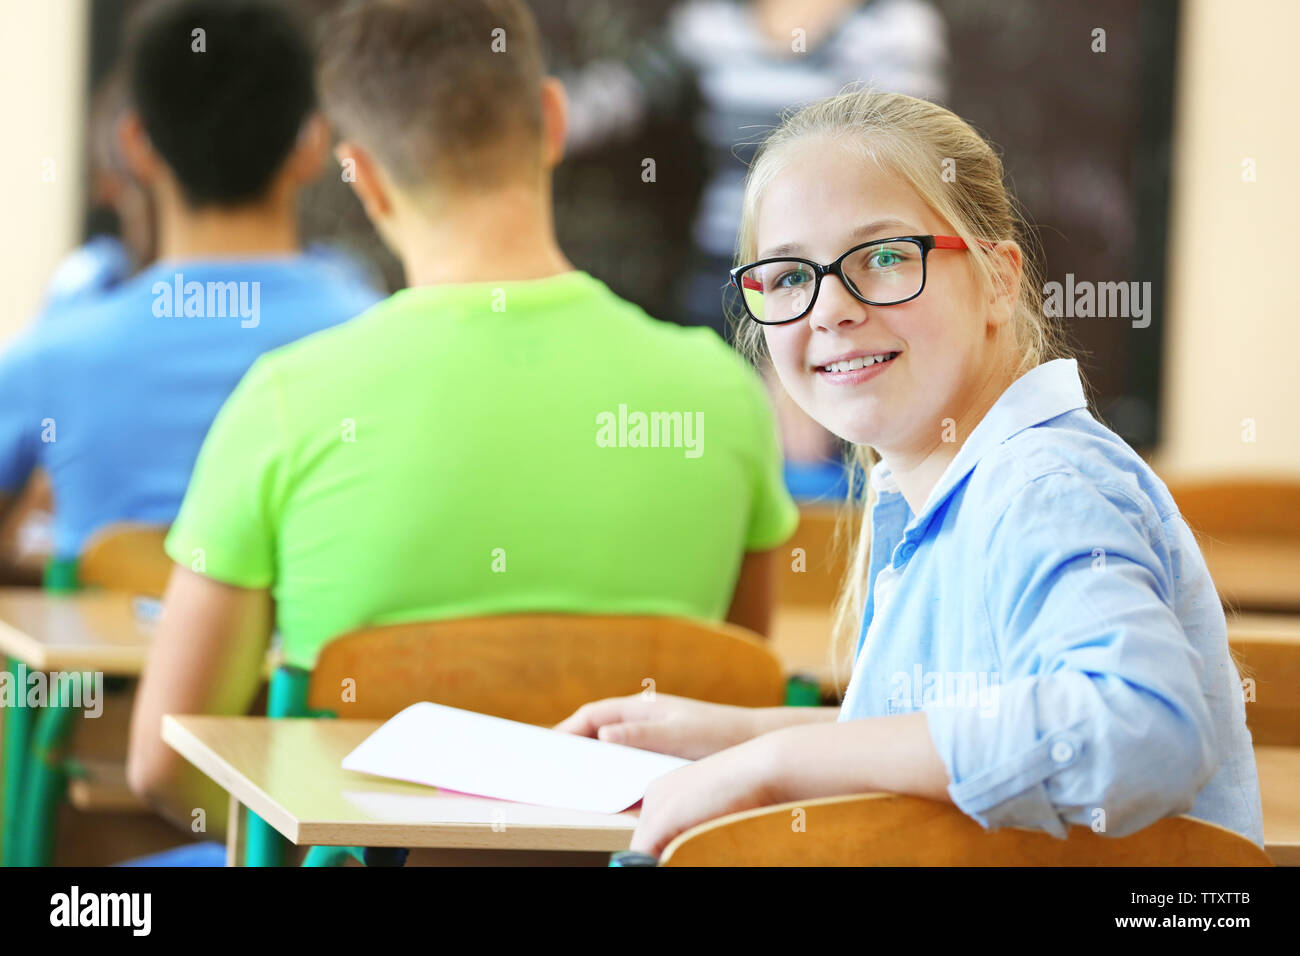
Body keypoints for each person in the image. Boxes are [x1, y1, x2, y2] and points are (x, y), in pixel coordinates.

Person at [128, 0, 797, 839]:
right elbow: (730, 713)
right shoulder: (724, 396)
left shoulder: (284, 401)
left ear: (361, 176)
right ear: (553, 120)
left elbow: (164, 764)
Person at [559, 88, 1264, 857]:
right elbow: (963, 721)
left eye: (885, 257)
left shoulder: (1044, 486)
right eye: (790, 276)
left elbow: (1141, 730)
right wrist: (737, 736)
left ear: (998, 279)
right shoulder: (935, 496)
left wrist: (776, 762)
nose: (829, 308)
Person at [0, 0, 382, 574]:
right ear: (311, 144)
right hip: (317, 664)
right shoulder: (375, 338)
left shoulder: (49, 358)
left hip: (99, 668)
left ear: (135, 144)